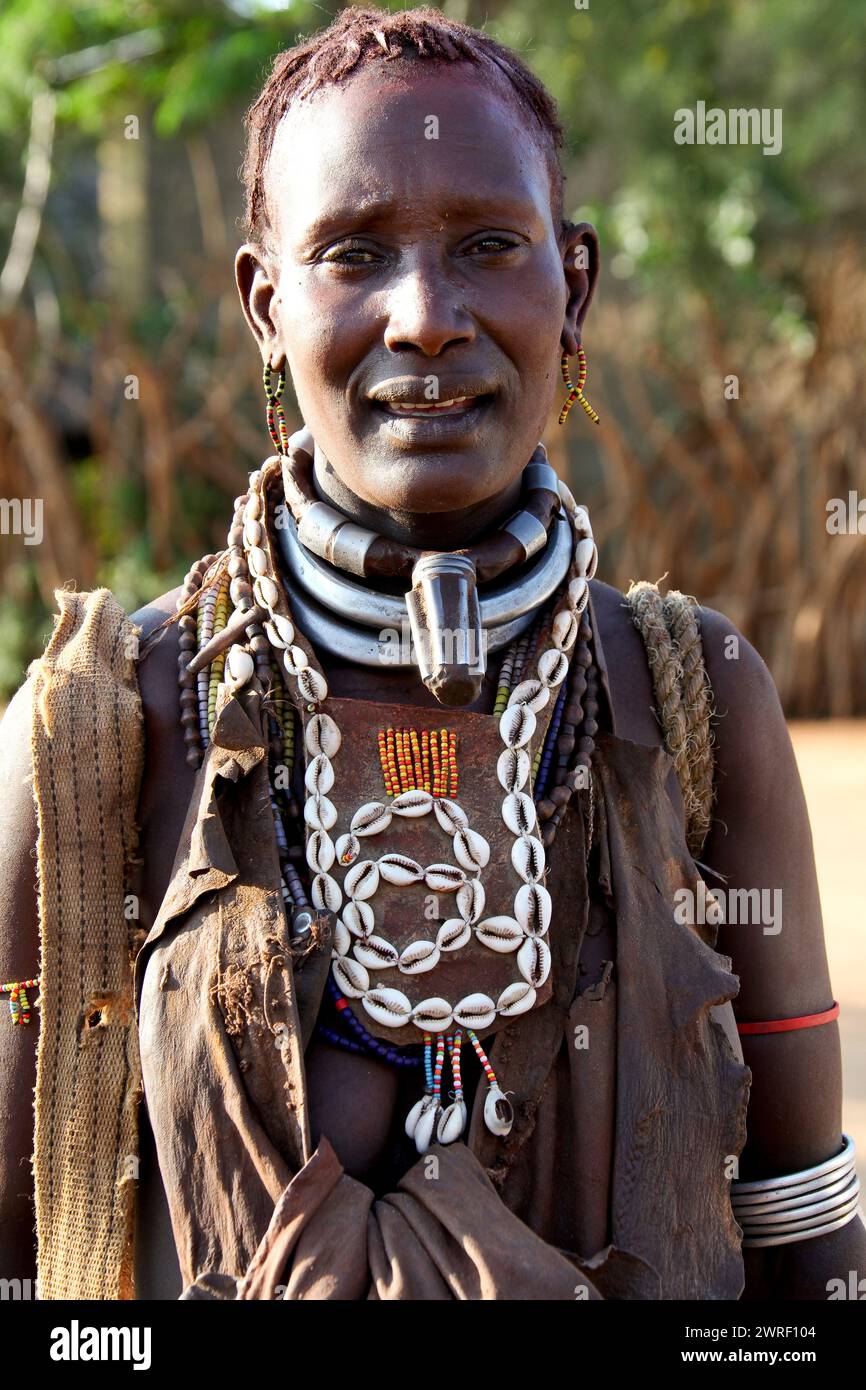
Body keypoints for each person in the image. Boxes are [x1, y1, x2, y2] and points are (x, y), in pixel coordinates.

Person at [0, 6, 861, 1301]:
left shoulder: (692, 695)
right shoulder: (101, 728)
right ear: (263, 303)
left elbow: (802, 1232)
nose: (421, 316)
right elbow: (24, 1251)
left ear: (570, 284)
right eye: (352, 252)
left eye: (486, 245)